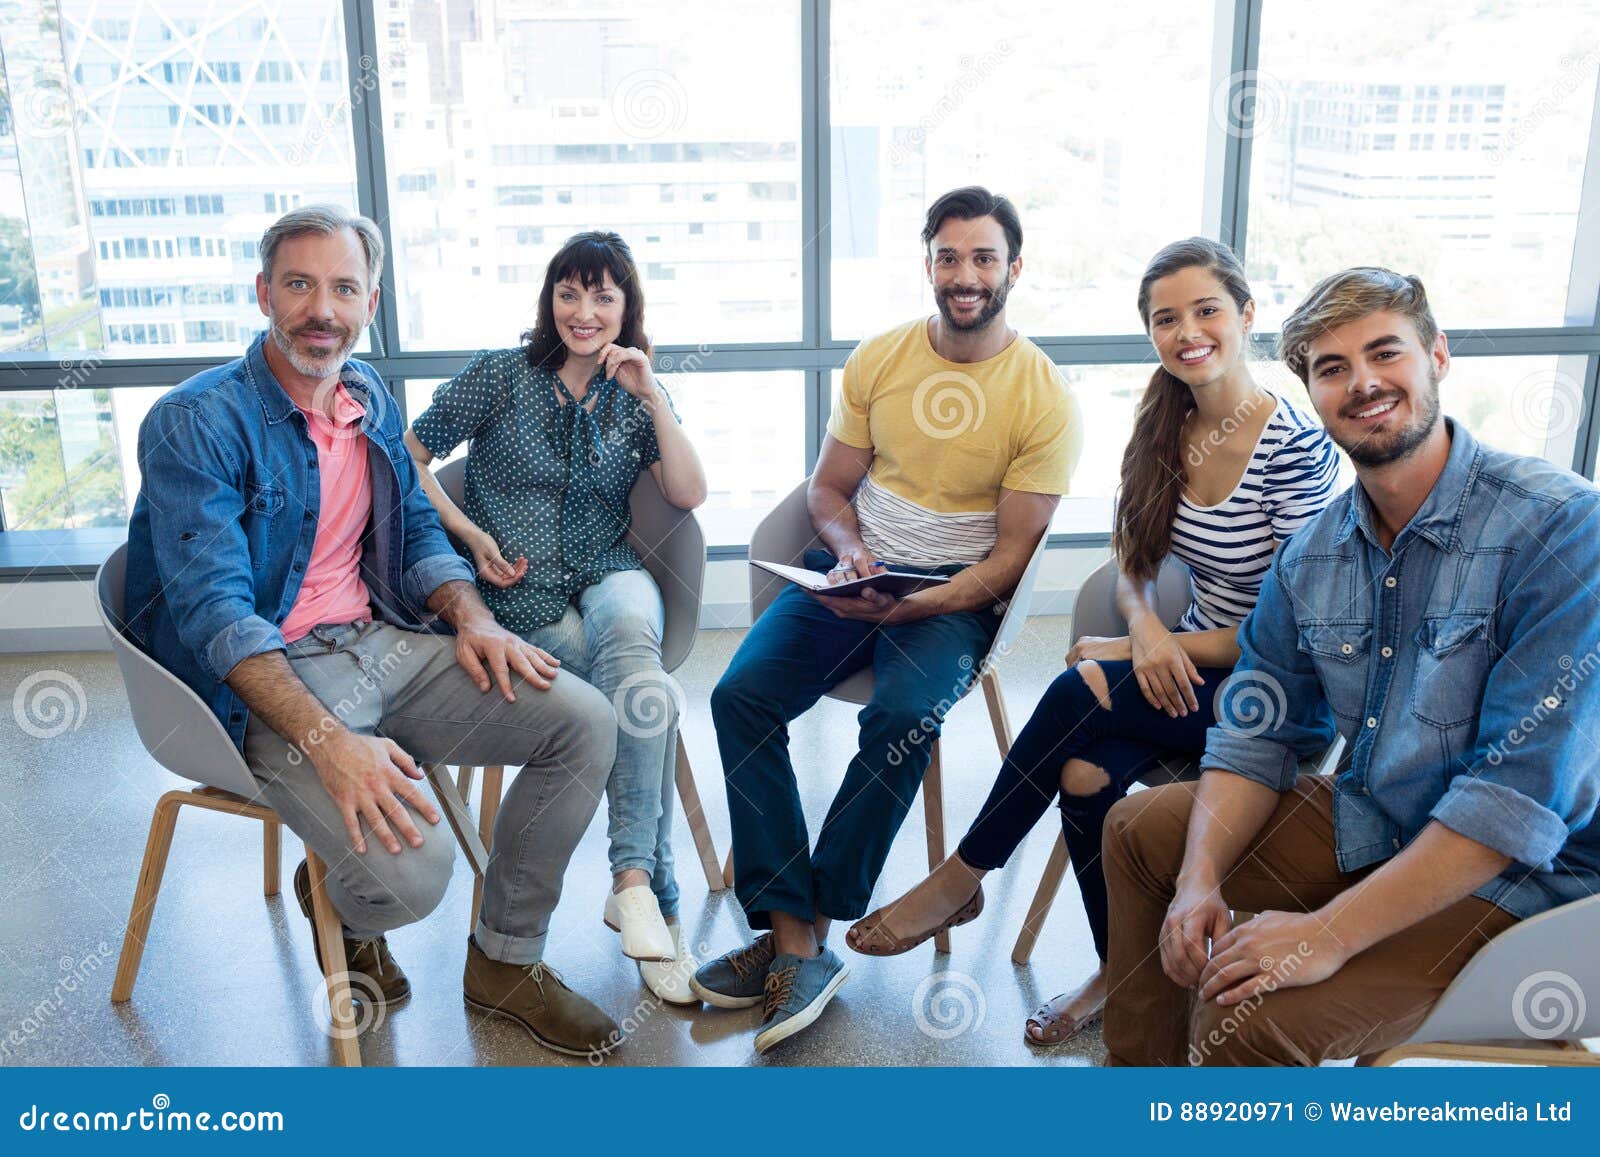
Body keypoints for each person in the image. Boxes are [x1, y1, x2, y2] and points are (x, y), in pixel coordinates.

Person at [125, 205, 625, 1058]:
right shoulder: (196, 421)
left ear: (370, 302)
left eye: (343, 288)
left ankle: (505, 960)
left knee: (584, 721)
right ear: (262, 294)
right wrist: (328, 741)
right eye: (299, 284)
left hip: (376, 640)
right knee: (413, 877)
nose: (322, 308)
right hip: (260, 680)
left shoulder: (367, 396)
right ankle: (346, 901)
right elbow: (217, 614)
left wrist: (472, 619)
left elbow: (421, 535)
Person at [846, 238, 1341, 1047]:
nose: (1188, 332)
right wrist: (1144, 629)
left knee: (1077, 689)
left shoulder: (1293, 449)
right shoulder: (1166, 420)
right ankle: (1124, 972)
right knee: (1079, 771)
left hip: (1281, 692)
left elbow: (1300, 635)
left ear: (1247, 315)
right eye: (1165, 318)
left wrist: (1126, 653)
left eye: (1207, 310)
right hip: (1187, 664)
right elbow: (1136, 565)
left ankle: (961, 876)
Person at [1101, 266, 1600, 1066]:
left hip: (1538, 887)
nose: (1362, 383)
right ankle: (1141, 1098)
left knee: (1250, 1018)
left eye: (1384, 353)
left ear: (1436, 356)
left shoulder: (1562, 527)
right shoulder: (1313, 554)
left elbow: (1514, 804)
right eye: (1332, 368)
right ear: (1311, 390)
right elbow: (1253, 736)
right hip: (1386, 820)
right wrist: (1199, 881)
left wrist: (1326, 934)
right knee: (1138, 831)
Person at [692, 186, 1084, 1053]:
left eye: (984, 258)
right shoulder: (881, 358)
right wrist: (853, 554)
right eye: (949, 257)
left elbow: (1012, 557)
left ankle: (807, 927)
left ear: (1014, 268)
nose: (965, 275)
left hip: (951, 597)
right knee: (737, 696)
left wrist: (923, 599)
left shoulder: (1044, 394)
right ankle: (797, 936)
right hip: (856, 572)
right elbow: (828, 489)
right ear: (929, 264)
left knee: (904, 716)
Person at [404, 231, 707, 1005]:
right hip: (523, 596)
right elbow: (405, 452)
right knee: (647, 703)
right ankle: (652, 896)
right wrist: (466, 533)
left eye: (605, 296)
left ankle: (630, 879)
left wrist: (653, 394)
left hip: (611, 572)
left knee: (634, 653)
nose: (584, 311)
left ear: (626, 308)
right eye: (570, 293)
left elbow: (688, 492)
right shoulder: (502, 375)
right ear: (550, 300)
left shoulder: (631, 392)